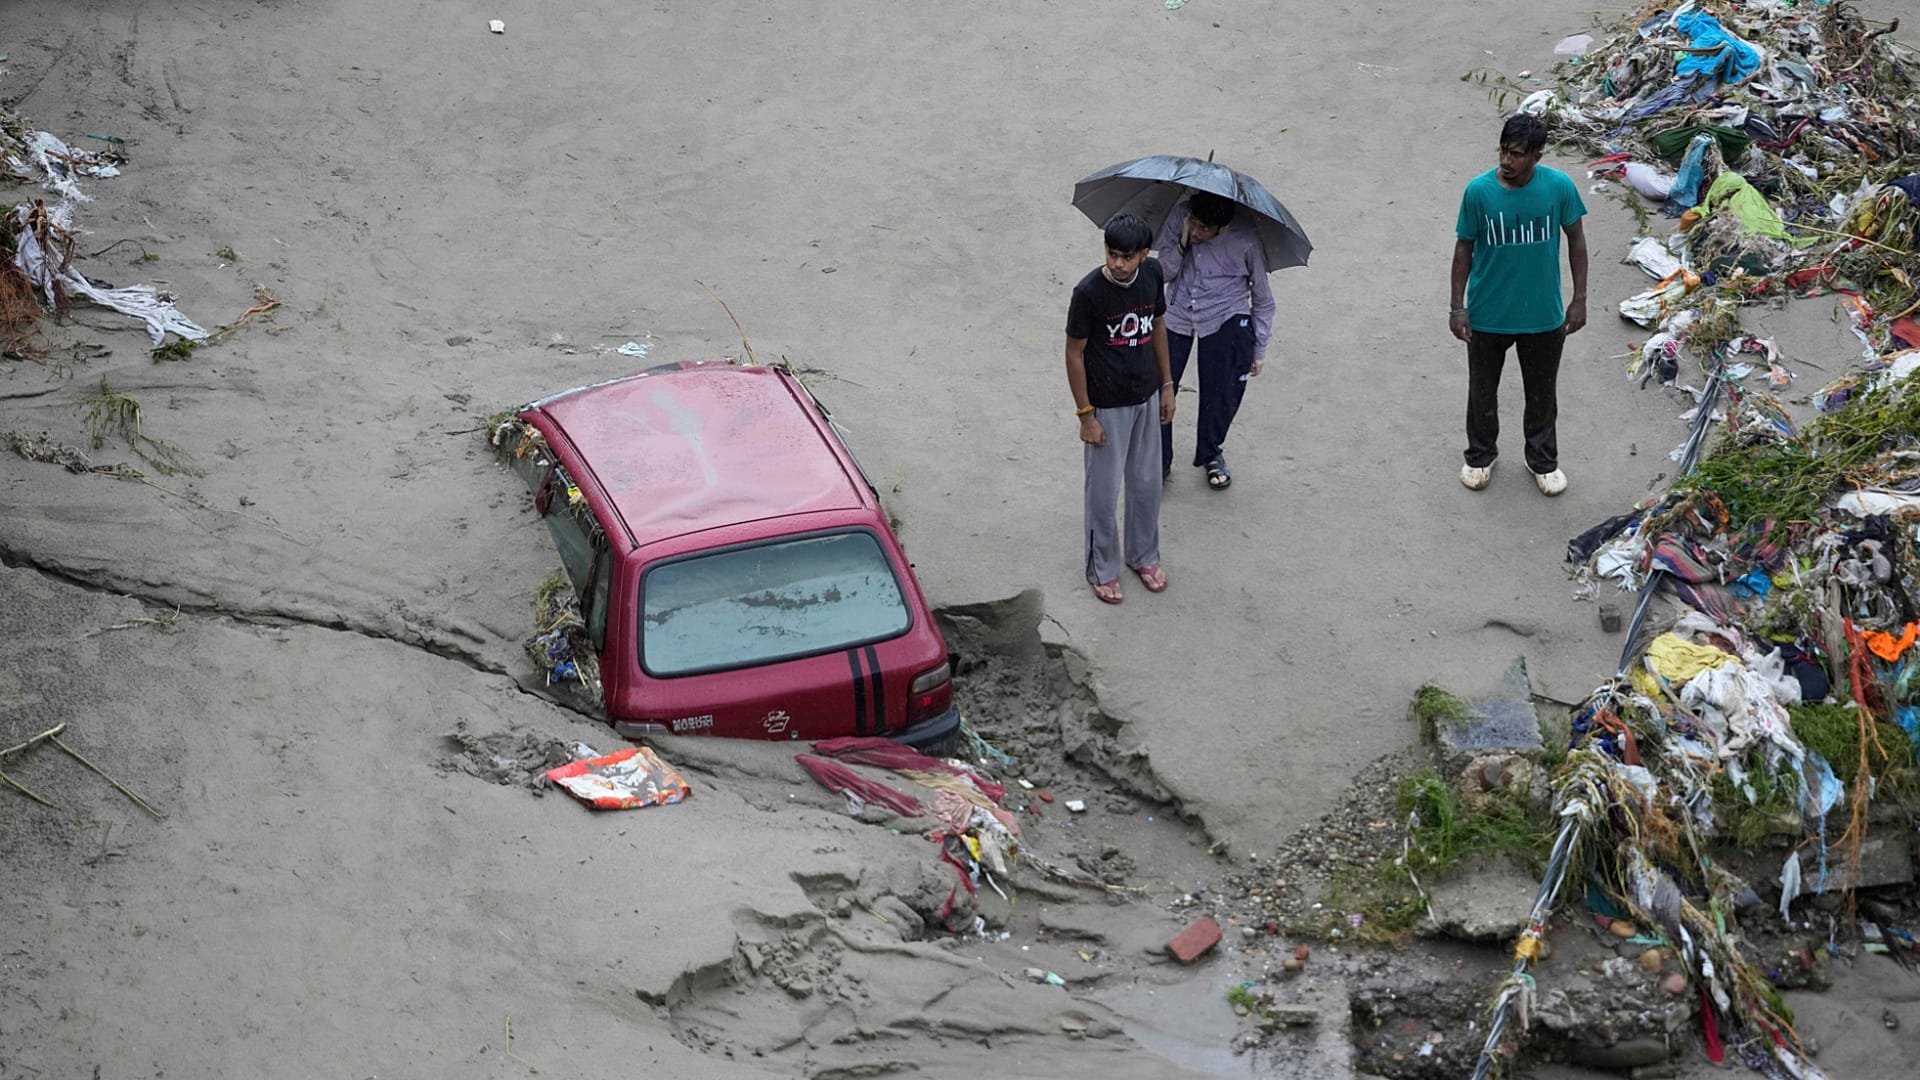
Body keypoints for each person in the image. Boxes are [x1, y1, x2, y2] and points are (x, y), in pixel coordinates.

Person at [1449, 113, 1588, 496]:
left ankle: (1542, 460)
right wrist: (1457, 307)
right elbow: (1464, 249)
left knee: (1542, 394)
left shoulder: (1559, 188)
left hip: (1544, 315)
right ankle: (1480, 456)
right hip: (1488, 315)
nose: (1507, 161)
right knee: (1481, 392)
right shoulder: (1478, 192)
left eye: (1517, 154)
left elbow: (1576, 240)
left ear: (1536, 157)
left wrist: (1579, 299)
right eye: (1504, 151)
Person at [1065, 212, 1175, 605]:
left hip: (1146, 396)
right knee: (1103, 493)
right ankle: (1102, 568)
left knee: (1147, 486)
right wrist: (1086, 415)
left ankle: (1143, 556)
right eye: (1112, 254)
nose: (1118, 263)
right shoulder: (1088, 293)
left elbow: (1158, 325)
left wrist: (1167, 386)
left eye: (1127, 256)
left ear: (1144, 254)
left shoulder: (1153, 275)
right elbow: (1074, 354)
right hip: (1106, 407)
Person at [1155, 191, 1274, 491]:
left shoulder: (1246, 240)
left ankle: (1211, 452)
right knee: (1159, 386)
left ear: (1223, 227)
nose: (1196, 231)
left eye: (1204, 228)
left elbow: (1263, 300)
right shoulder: (1181, 219)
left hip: (1226, 315)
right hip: (1179, 311)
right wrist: (1183, 242)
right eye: (1194, 222)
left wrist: (1257, 349)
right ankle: (1159, 459)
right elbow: (1164, 274)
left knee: (1221, 392)